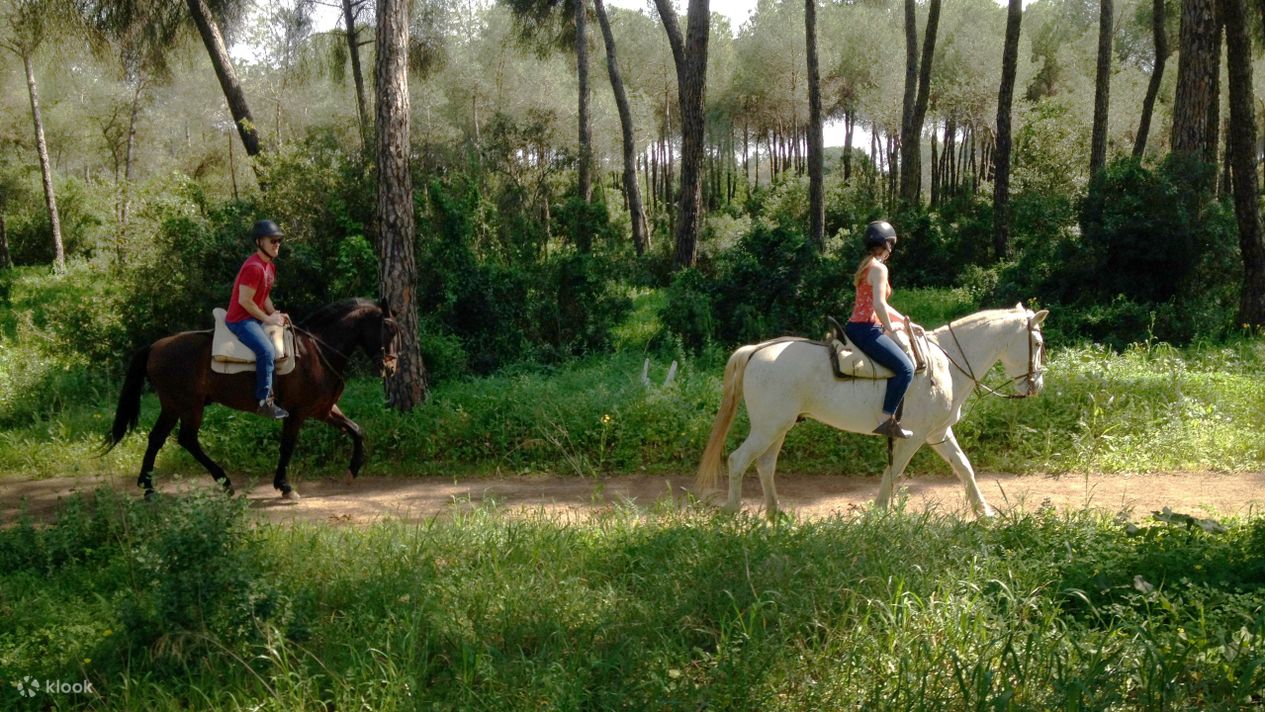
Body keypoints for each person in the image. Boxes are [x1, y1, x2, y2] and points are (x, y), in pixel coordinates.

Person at [845, 220, 916, 439]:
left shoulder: (867, 265)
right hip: (867, 329)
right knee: (907, 368)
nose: (891, 250)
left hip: (857, 327)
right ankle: (886, 420)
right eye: (890, 245)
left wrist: (906, 324)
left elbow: (882, 306)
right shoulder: (880, 268)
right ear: (884, 244)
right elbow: (878, 306)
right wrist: (892, 331)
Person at [225, 219, 290, 419]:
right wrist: (268, 319)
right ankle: (264, 401)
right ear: (260, 241)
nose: (277, 244)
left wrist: (275, 313)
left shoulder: (269, 266)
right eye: (273, 240)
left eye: (279, 240)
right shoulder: (253, 267)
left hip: (254, 316)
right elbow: (246, 301)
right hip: (240, 320)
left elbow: (264, 295)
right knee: (266, 350)